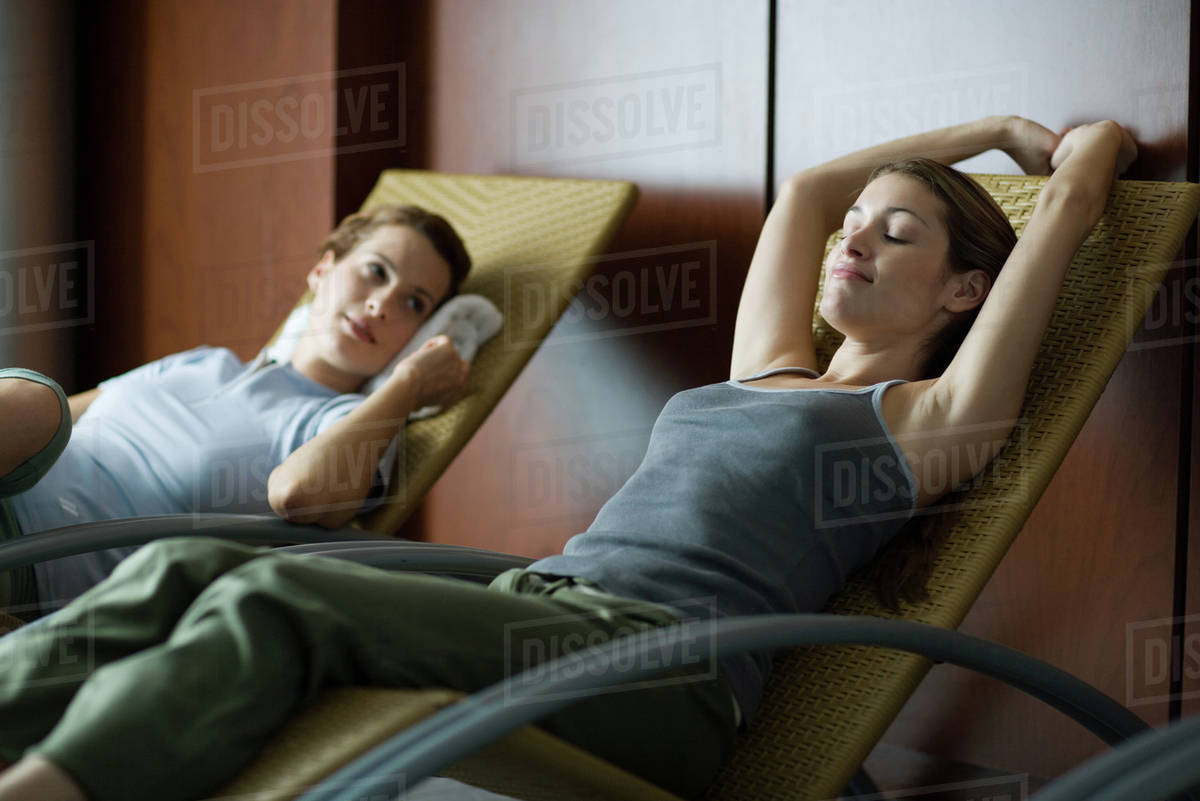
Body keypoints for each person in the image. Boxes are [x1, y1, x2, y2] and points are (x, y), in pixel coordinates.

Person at [0, 115, 1137, 801]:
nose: (855, 240)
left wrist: (1072, 173)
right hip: (547, 607)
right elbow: (808, 193)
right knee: (184, 570)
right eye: (862, 229)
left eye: (901, 236)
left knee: (281, 595)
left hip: (662, 675)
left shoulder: (931, 422)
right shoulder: (770, 367)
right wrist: (980, 131)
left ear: (963, 293)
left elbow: (1075, 200)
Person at [0, 205, 474, 607]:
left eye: (414, 303)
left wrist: (408, 383)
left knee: (34, 401)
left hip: (31, 556)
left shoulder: (339, 423)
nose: (382, 305)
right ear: (323, 270)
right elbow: (62, 419)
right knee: (34, 402)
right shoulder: (203, 362)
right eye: (375, 271)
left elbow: (299, 494)